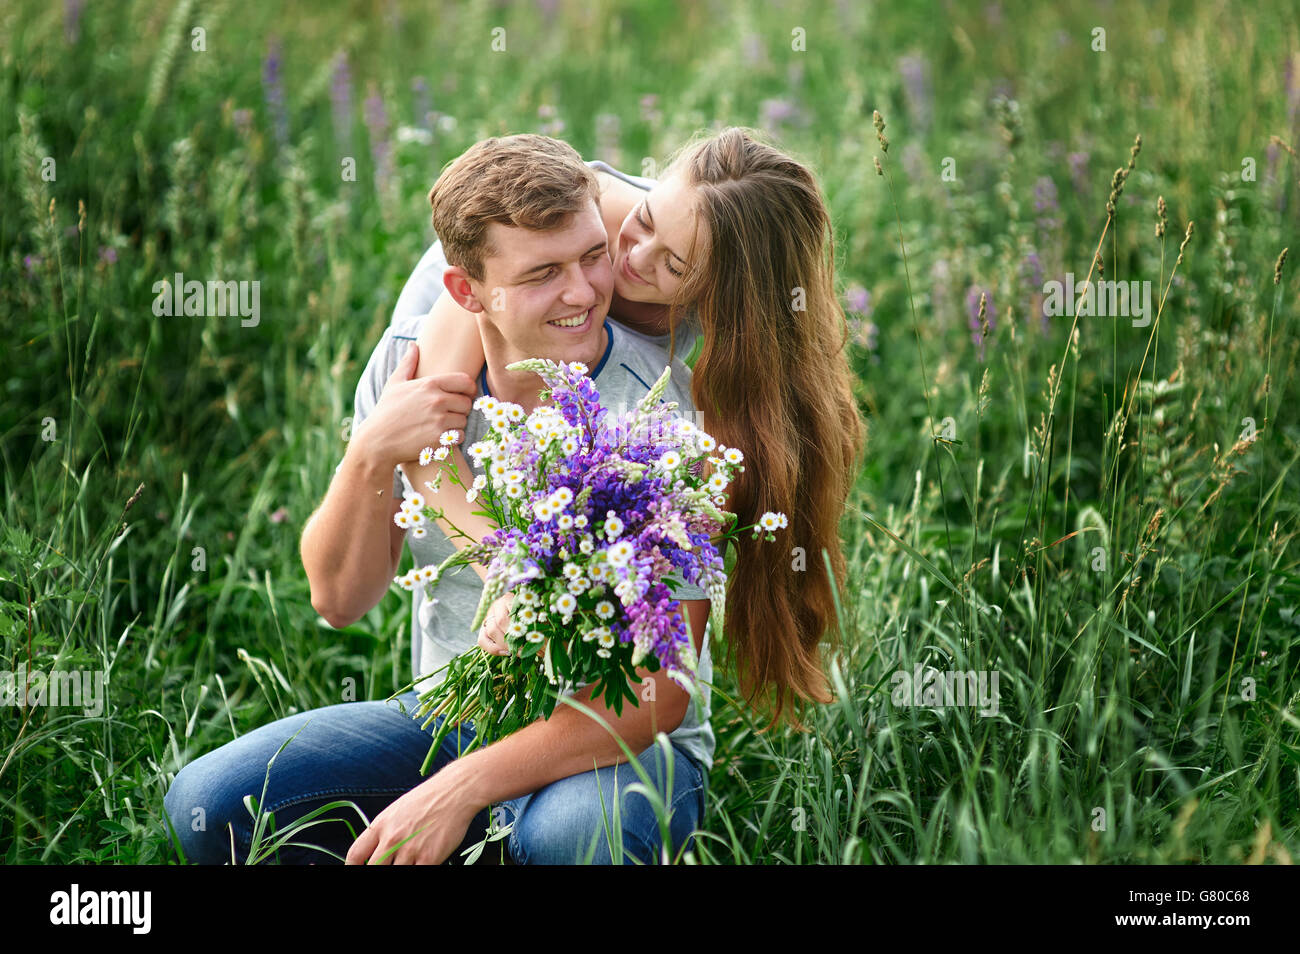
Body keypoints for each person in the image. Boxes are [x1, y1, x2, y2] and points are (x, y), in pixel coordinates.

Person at [163, 134, 713, 866]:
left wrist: (458, 788)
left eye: (591, 256)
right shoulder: (412, 371)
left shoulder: (657, 412)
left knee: (568, 841)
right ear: (466, 290)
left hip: (611, 742)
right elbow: (337, 599)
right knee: (213, 802)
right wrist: (369, 456)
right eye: (544, 272)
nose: (583, 291)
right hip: (455, 715)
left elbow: (659, 697)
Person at [402, 125, 866, 732]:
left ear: (721, 301)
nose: (627, 261)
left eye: (674, 265)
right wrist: (511, 568)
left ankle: (582, 728)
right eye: (644, 222)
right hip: (486, 296)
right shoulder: (580, 232)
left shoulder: (722, 348)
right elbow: (427, 449)